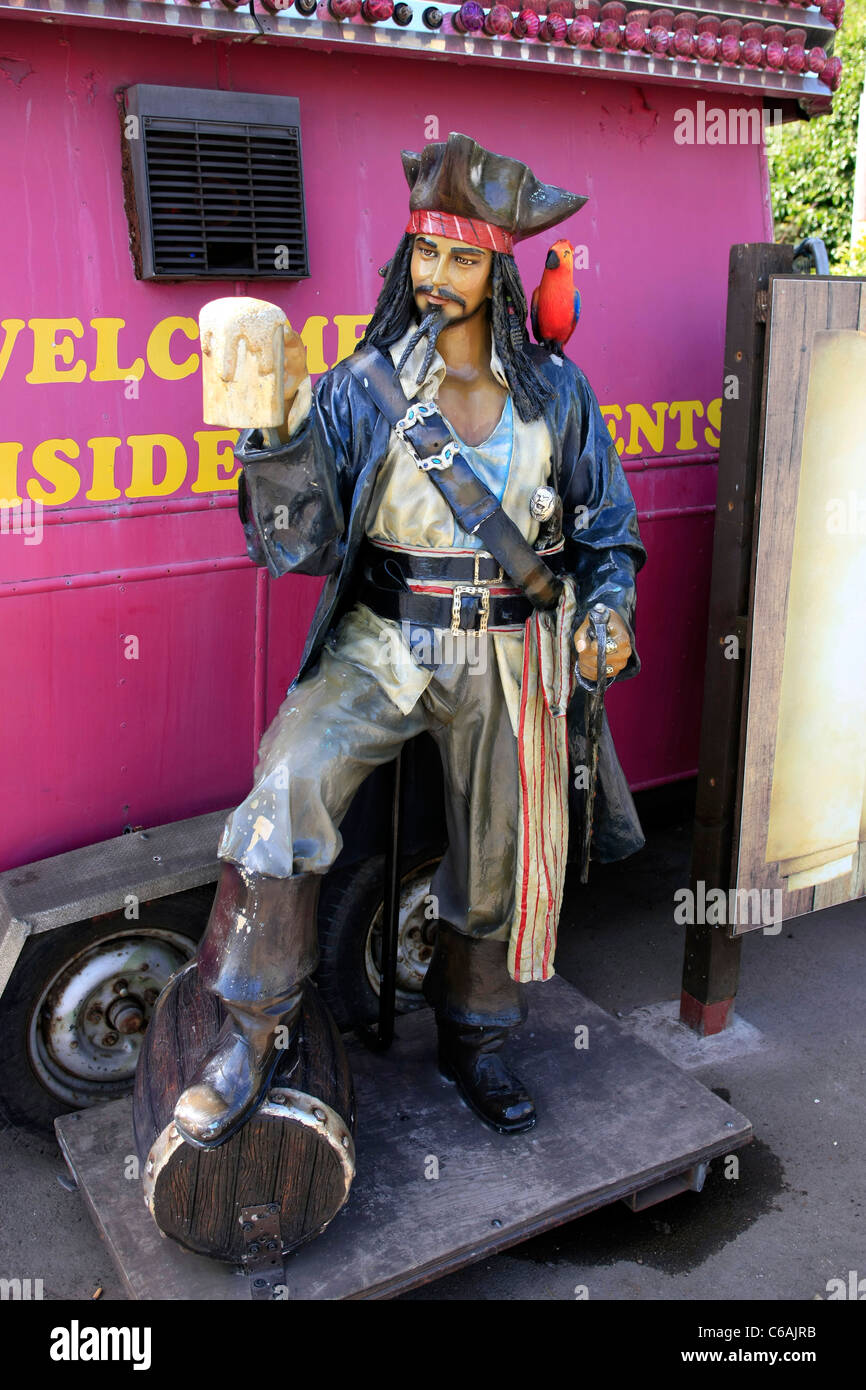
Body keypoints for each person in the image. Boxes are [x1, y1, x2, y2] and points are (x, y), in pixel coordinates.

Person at [173, 132, 646, 1149]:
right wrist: (271, 443)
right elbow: (293, 548)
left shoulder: (558, 394)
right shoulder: (359, 386)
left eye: (460, 257)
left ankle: (474, 1037)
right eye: (423, 255)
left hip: (508, 648)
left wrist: (606, 613)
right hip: (380, 637)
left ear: (498, 270)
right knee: (283, 789)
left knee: (499, 851)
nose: (436, 278)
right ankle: (251, 1033)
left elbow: (607, 534)